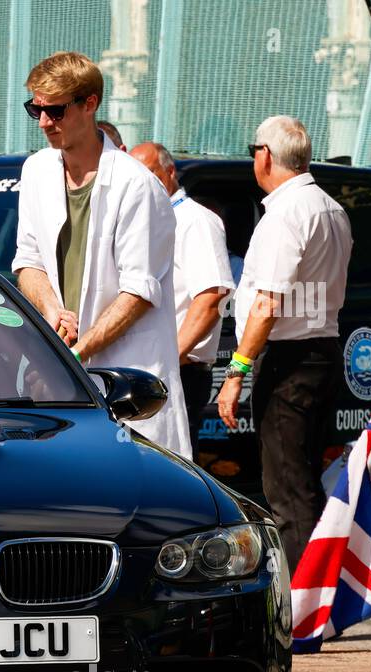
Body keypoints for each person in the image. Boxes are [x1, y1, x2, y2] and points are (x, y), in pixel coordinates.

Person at [12, 51, 190, 458]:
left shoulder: (136, 184)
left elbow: (139, 291)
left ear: (90, 104)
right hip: (61, 380)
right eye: (35, 110)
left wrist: (75, 354)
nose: (43, 123)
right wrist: (53, 311)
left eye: (55, 111)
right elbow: (28, 262)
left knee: (135, 488)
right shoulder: (36, 171)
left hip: (129, 382)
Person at [218, 115, 351, 566]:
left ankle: (303, 600)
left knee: (289, 492)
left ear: (266, 156)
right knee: (305, 483)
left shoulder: (287, 213)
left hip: (291, 360)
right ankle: (318, 592)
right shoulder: (330, 208)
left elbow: (267, 303)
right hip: (321, 351)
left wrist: (237, 370)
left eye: (253, 150)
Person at [131, 141, 233, 458]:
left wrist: (170, 359)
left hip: (178, 373)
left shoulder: (195, 221)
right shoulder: (147, 221)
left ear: (170, 172)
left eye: (150, 174)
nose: (143, 183)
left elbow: (212, 296)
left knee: (172, 468)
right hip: (146, 371)